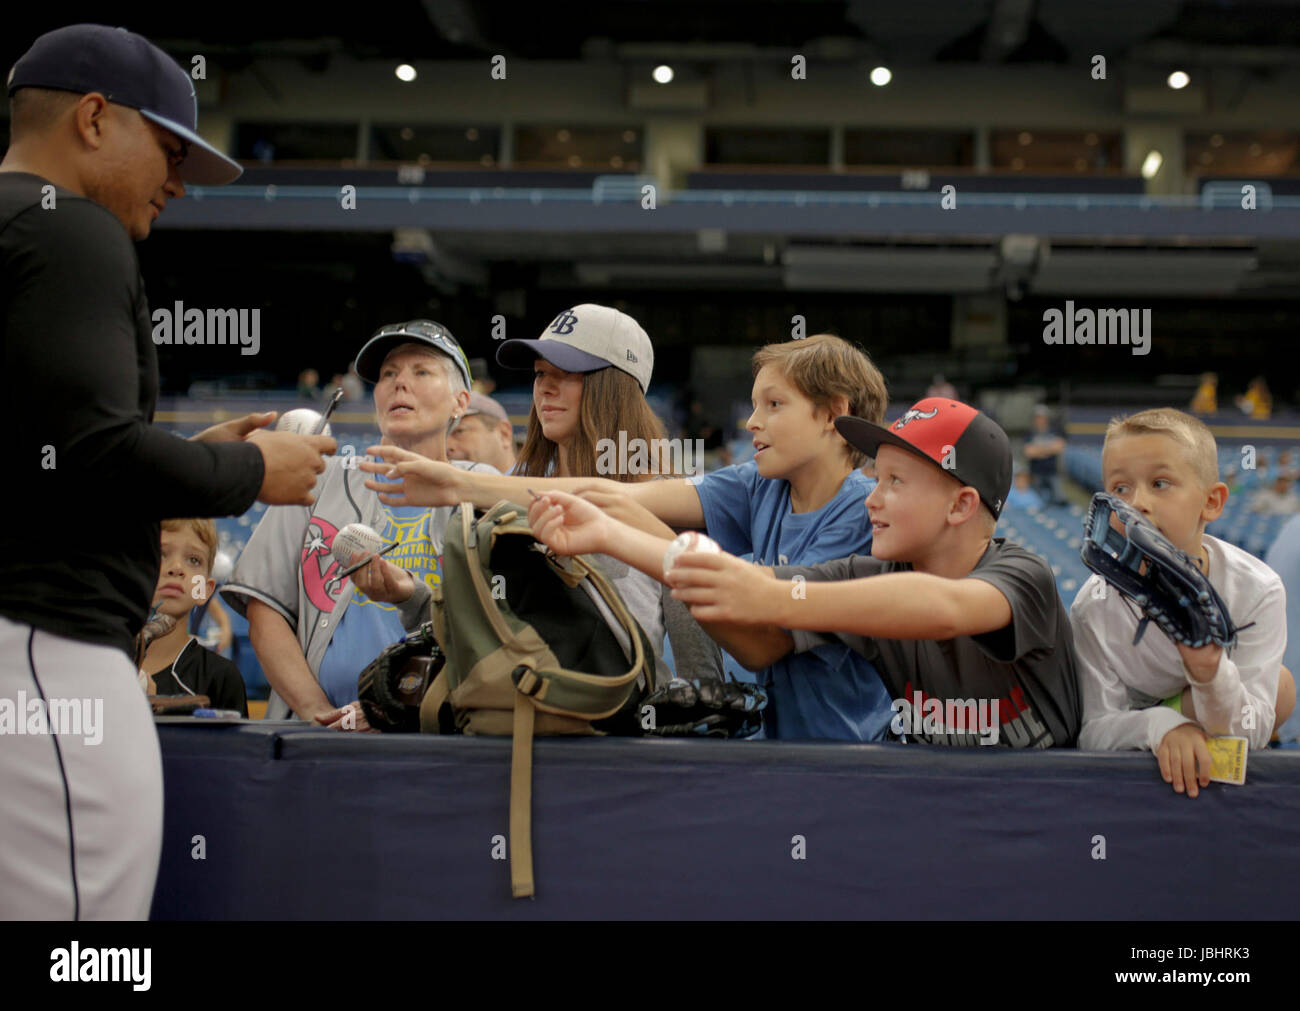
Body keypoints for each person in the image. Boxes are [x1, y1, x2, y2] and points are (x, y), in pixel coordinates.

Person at [0, 24, 332, 920]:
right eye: (170, 149)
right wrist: (245, 469)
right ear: (96, 118)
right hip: (44, 650)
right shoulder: (73, 231)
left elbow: (53, 448)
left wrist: (190, 460)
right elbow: (93, 452)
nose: (179, 181)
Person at [364, 332, 899, 741]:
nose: (751, 422)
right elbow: (616, 497)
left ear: (833, 414)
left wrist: (677, 561)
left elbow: (764, 646)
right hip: (774, 754)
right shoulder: (759, 485)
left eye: (774, 405)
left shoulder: (862, 512)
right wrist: (455, 482)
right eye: (755, 405)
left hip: (846, 759)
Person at [526, 398, 1083, 749]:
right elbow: (749, 595)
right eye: (877, 478)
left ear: (961, 506)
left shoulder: (1021, 573)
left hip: (1045, 823)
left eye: (896, 483)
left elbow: (944, 609)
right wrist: (606, 534)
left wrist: (771, 597)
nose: (873, 499)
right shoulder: (870, 572)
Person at [364, 304, 711, 692]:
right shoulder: (504, 497)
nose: (544, 388)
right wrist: (412, 598)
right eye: (541, 373)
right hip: (514, 735)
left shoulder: (669, 506)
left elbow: (703, 683)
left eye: (565, 374)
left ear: (615, 386)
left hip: (622, 739)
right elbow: (482, 635)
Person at [222, 321, 496, 727]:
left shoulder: (486, 491)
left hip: (443, 737)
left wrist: (396, 712)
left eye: (421, 371)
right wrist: (321, 715)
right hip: (320, 738)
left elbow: (496, 631)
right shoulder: (313, 479)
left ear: (461, 401)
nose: (400, 383)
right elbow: (267, 610)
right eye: (389, 374)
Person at [1071, 409, 1296, 796]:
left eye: (1160, 483)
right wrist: (1162, 726)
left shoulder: (1259, 588)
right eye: (1120, 488)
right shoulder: (1093, 605)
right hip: (1139, 719)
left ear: (1211, 502)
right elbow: (1094, 730)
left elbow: (1254, 728)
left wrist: (1210, 674)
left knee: (1282, 687)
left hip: (1214, 707)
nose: (1137, 503)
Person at [138, 519, 248, 716]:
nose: (177, 568)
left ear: (205, 590)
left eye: (194, 560)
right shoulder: (98, 664)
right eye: (161, 554)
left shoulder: (220, 677)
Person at [446, 392, 517, 474]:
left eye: (459, 431)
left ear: (504, 434)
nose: (447, 446)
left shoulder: (533, 480)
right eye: (443, 437)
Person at [1023, 406, 1066, 506]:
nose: (1040, 420)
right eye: (1038, 417)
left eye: (1042, 417)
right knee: (1037, 502)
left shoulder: (1054, 431)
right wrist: (1048, 449)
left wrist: (1038, 450)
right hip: (1036, 472)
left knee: (1058, 500)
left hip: (1052, 472)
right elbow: (1029, 452)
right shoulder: (1030, 433)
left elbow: (1059, 448)